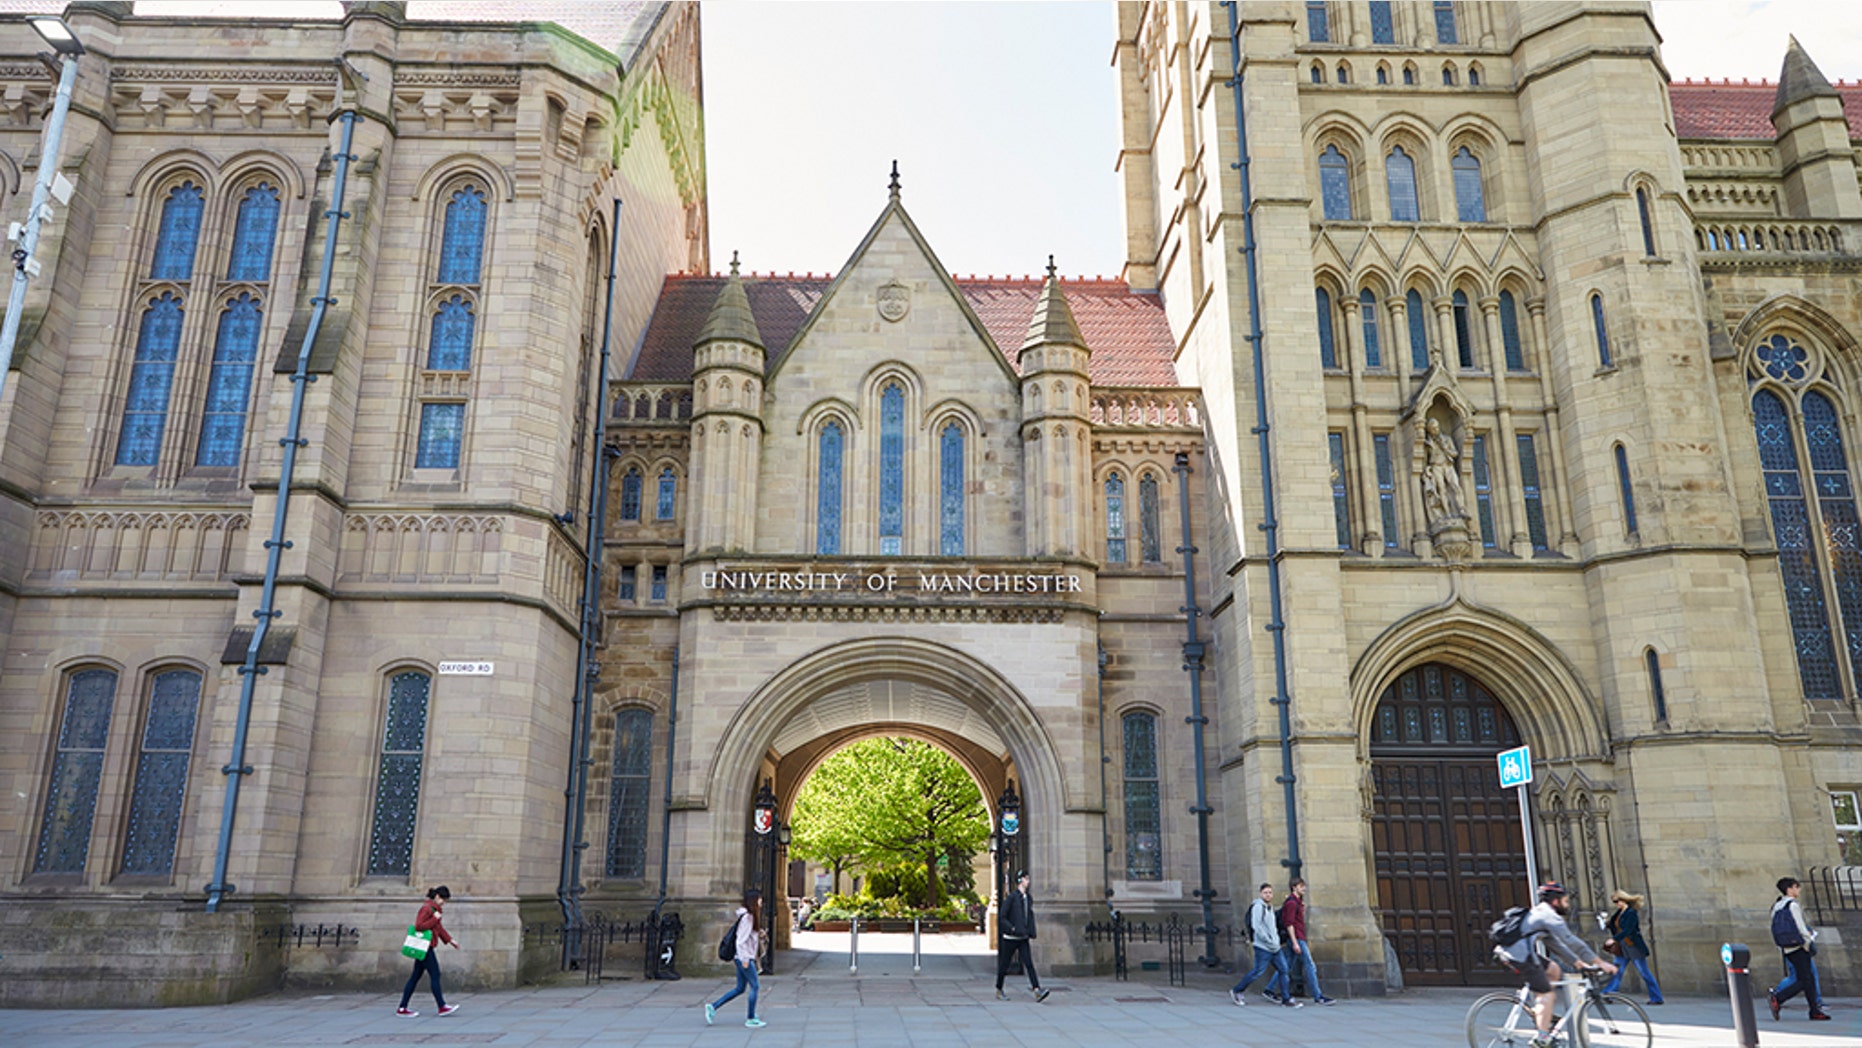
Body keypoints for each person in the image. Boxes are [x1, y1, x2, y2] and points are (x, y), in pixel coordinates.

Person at [1493, 882, 1616, 1048]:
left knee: (1554, 969)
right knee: (1547, 993)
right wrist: (1599, 962)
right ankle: (1542, 1037)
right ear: (1556, 901)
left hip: (1511, 952)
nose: (1567, 905)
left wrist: (1578, 963)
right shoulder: (1549, 916)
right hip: (1521, 956)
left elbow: (1555, 944)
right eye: (1565, 901)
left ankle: (1543, 1012)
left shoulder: (1538, 913)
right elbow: (1571, 941)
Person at [1768, 877, 1831, 1021]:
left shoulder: (1776, 906)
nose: (1799, 889)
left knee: (1806, 979)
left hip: (1787, 947)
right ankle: (1778, 998)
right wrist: (1807, 943)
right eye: (1796, 887)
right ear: (1789, 889)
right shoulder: (1792, 905)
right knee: (1805, 980)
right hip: (1799, 946)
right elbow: (1800, 926)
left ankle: (1814, 1010)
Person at [1229, 883, 1298, 1007]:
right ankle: (1237, 990)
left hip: (1274, 947)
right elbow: (1257, 927)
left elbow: (1272, 927)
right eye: (1265, 892)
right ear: (1261, 894)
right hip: (1263, 947)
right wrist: (1268, 941)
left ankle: (1286, 998)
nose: (1268, 895)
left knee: (1283, 970)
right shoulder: (1258, 907)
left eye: (1270, 892)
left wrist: (1275, 941)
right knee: (1258, 971)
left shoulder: (1269, 908)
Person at [396, 886, 462, 1018]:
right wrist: (434, 919)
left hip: (426, 947)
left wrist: (450, 940)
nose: (444, 902)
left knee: (415, 977)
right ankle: (441, 1006)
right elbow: (419, 926)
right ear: (437, 896)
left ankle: (402, 1007)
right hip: (425, 947)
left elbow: (439, 928)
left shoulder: (434, 909)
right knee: (435, 975)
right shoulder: (427, 909)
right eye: (443, 899)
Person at [707, 889, 766, 1028]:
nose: (761, 901)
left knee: (740, 988)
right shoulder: (748, 918)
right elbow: (740, 941)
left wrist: (759, 934)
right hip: (744, 958)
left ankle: (713, 1007)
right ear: (754, 901)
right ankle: (751, 1018)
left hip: (741, 957)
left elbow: (746, 936)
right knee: (755, 986)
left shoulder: (749, 917)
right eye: (759, 899)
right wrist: (745, 959)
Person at [1278, 878, 1336, 1005]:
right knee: (1309, 966)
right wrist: (1295, 942)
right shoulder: (1292, 903)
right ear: (1294, 887)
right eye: (1301, 886)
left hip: (1297, 938)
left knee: (1285, 966)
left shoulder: (1296, 902)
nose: (1304, 889)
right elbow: (1289, 924)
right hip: (1297, 938)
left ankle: (1269, 989)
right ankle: (1318, 996)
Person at [1600, 890, 1663, 1005]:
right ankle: (1608, 994)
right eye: (1614, 902)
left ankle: (1656, 997)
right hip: (1623, 948)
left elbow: (1628, 930)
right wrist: (1606, 922)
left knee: (1644, 973)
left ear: (1623, 900)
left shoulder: (1631, 913)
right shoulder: (1619, 913)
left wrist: (1614, 939)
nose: (1616, 904)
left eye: (1617, 901)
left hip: (1633, 947)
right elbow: (1615, 925)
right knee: (1617, 971)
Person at [995, 871, 1050, 1002]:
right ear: (1020, 880)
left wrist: (1030, 931)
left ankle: (1037, 990)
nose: (1028, 881)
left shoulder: (1028, 898)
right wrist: (1012, 928)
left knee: (1029, 964)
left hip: (1023, 937)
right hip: (1011, 938)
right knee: (1004, 964)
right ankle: (999, 988)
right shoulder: (1012, 898)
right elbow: (1002, 917)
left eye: (1028, 878)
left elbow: (1028, 916)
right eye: (1026, 879)